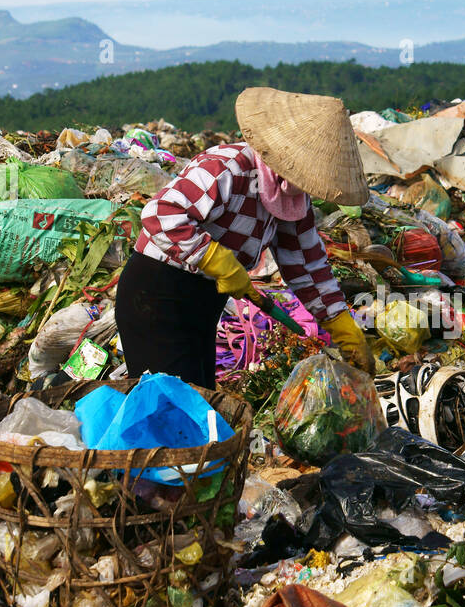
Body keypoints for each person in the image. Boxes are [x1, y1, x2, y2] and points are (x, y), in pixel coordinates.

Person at [115, 87, 373, 388]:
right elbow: (161, 214)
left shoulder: (292, 196)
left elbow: (306, 265)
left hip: (204, 302)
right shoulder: (229, 166)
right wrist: (214, 258)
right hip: (156, 294)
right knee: (168, 405)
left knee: (199, 399)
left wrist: (340, 324)